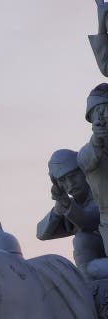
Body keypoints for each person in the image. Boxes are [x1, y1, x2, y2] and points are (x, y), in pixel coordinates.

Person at [36, 149, 103, 275]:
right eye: (62, 180)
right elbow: (41, 233)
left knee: (82, 241)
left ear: (84, 171)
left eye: (73, 176)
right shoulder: (72, 206)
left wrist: (67, 205)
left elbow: (89, 220)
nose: (70, 184)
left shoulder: (101, 192)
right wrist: (58, 209)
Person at [78, 84, 108, 263]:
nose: (103, 117)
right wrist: (97, 140)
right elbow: (87, 160)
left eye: (105, 110)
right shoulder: (88, 153)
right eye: (98, 113)